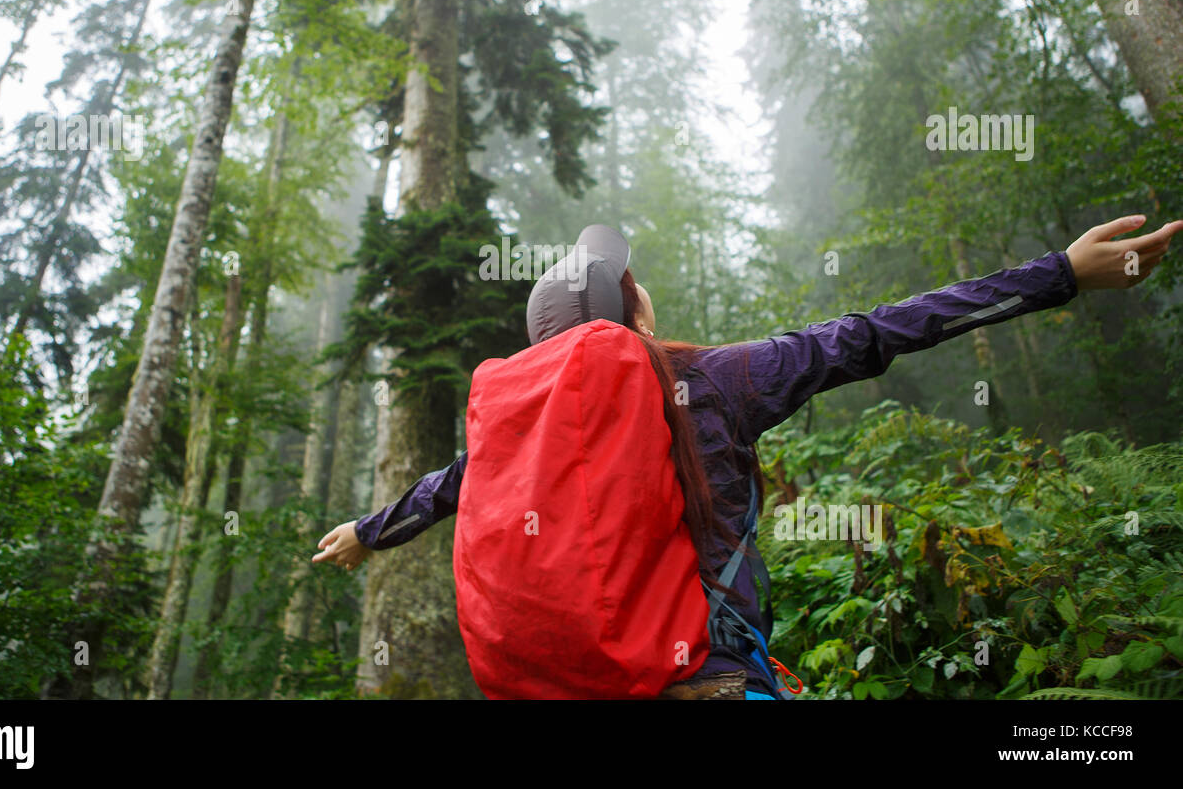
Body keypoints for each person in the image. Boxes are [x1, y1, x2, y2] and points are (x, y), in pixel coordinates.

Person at [314, 214, 1182, 698]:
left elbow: (440, 489)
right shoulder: (719, 380)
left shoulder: (509, 449)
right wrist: (1059, 274)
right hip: (716, 683)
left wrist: (363, 529)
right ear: (636, 317)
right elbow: (880, 331)